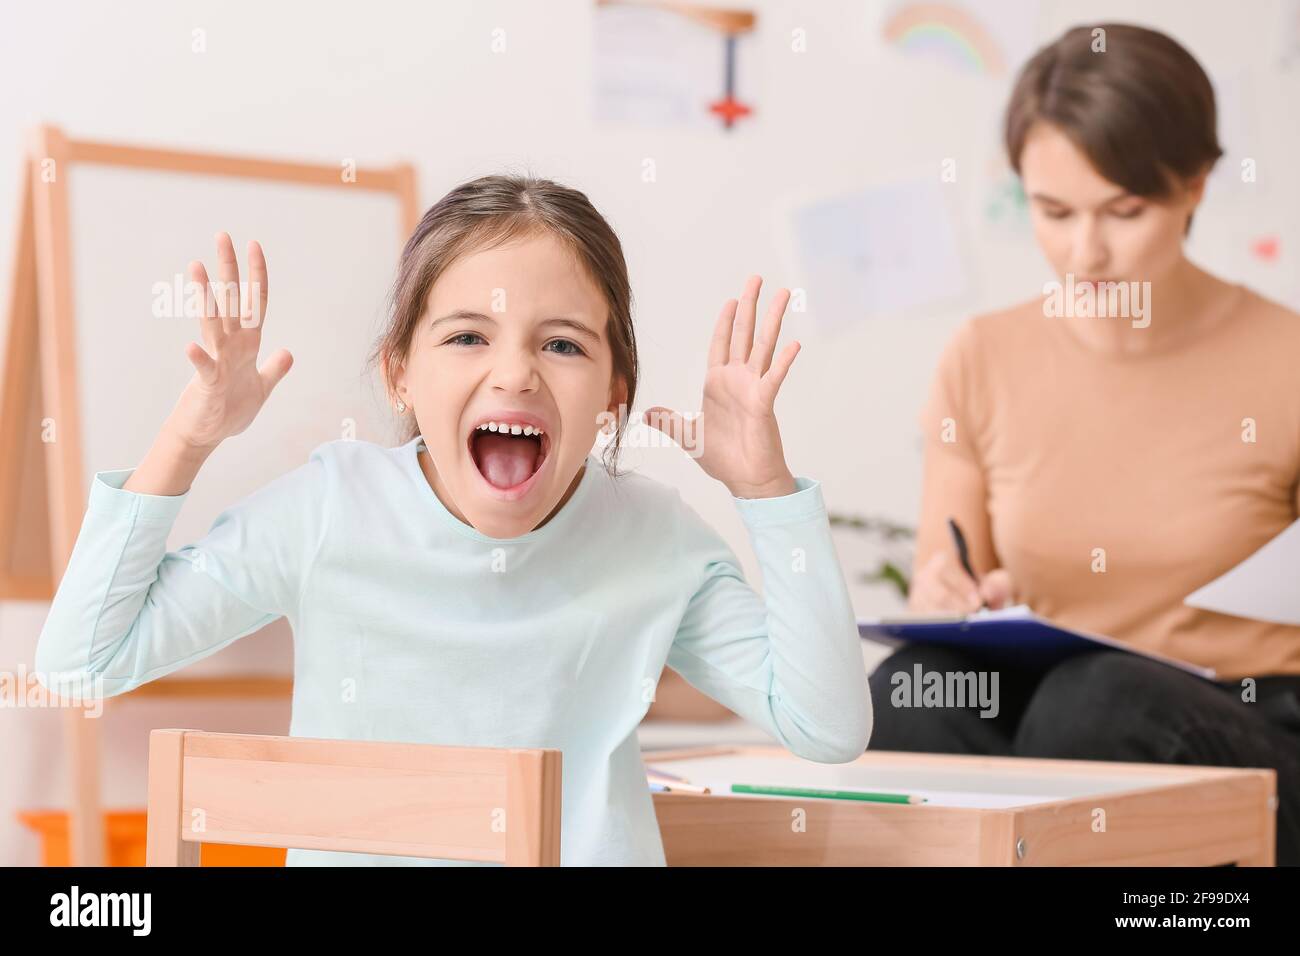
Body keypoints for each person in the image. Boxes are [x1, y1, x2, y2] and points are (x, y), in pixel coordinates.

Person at [35, 175, 871, 865]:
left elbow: (827, 727)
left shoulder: (655, 535)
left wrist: (765, 488)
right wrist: (189, 437)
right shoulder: (333, 509)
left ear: (616, 393)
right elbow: (82, 666)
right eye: (469, 336)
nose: (516, 373)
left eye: (565, 345)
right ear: (400, 374)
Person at [870, 24, 1300, 865]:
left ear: (1196, 186)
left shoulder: (1286, 358)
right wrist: (950, 592)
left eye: (1124, 212)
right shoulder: (984, 355)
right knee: (914, 689)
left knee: (1097, 704)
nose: (1085, 252)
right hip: (1051, 711)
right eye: (1054, 213)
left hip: (1249, 725)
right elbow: (941, 572)